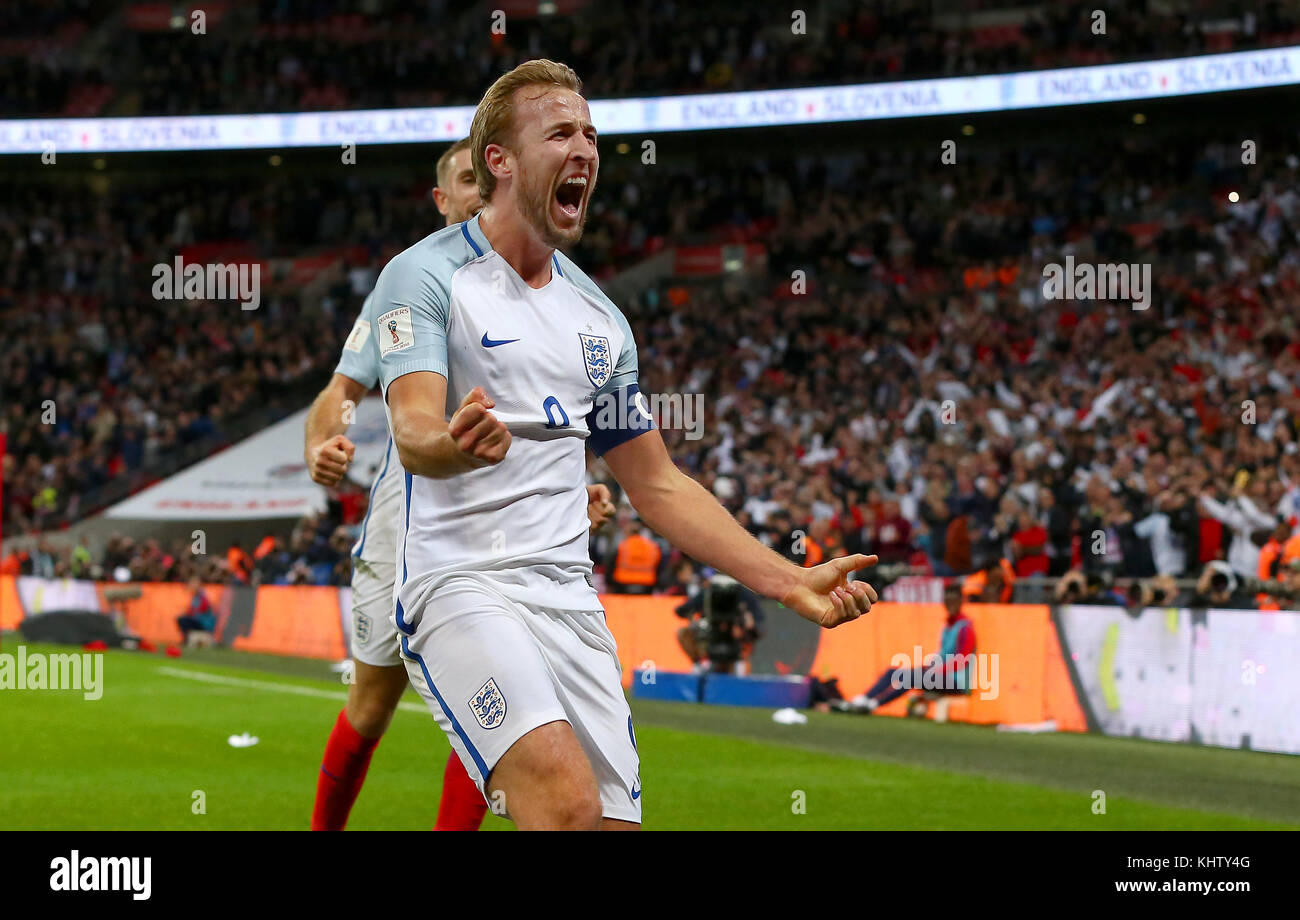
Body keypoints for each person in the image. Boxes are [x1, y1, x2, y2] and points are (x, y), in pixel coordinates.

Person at [376, 59, 876, 831]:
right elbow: (412, 432)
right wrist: (454, 444)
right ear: (499, 162)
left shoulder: (601, 321)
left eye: (590, 134)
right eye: (560, 133)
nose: (584, 149)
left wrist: (785, 581)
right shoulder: (424, 276)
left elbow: (658, 484)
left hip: (569, 598)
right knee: (565, 803)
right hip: (459, 581)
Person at [304, 137, 617, 832]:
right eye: (469, 181)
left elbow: (557, 419)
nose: (483, 192)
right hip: (406, 515)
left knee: (503, 699)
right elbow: (341, 390)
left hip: (509, 528)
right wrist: (323, 441)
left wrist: (583, 484)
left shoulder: (551, 295)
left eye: (491, 179)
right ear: (444, 201)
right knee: (372, 701)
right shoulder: (415, 284)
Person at [835, 583, 974, 714]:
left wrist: (933, 669)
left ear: (961, 601)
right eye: (947, 601)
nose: (950, 605)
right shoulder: (948, 625)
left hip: (957, 681)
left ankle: (873, 704)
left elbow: (962, 661)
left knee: (911, 677)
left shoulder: (965, 628)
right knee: (893, 673)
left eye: (953, 601)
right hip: (940, 675)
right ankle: (864, 699)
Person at [176, 576, 215, 642]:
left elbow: (203, 608)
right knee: (182, 619)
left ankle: (186, 639)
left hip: (204, 623)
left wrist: (189, 613)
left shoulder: (202, 595)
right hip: (199, 621)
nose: (191, 586)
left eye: (192, 584)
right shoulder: (196, 596)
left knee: (183, 620)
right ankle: (187, 638)